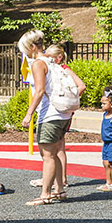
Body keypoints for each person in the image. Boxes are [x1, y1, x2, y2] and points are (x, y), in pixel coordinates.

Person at [19, 29, 86, 206]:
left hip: (50, 114)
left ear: (33, 47)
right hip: (63, 114)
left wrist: (29, 114)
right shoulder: (51, 60)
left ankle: (45, 194)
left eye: (26, 48)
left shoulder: (38, 63)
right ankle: (59, 190)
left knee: (47, 155)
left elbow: (40, 90)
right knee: (55, 152)